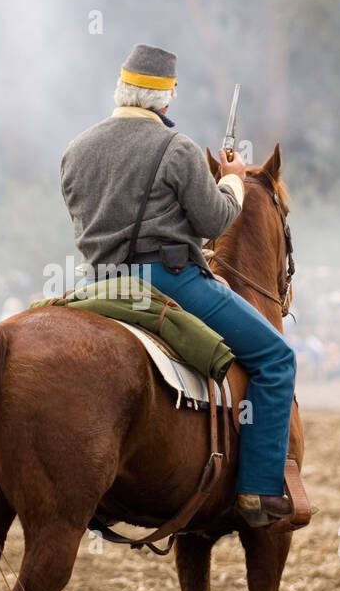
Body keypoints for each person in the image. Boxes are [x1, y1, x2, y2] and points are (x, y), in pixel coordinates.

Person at [60, 42, 296, 527]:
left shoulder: (76, 149)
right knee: (277, 359)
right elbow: (216, 220)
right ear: (166, 100)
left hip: (99, 284)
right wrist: (230, 179)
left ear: (120, 90)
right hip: (168, 281)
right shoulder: (178, 148)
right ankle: (257, 492)